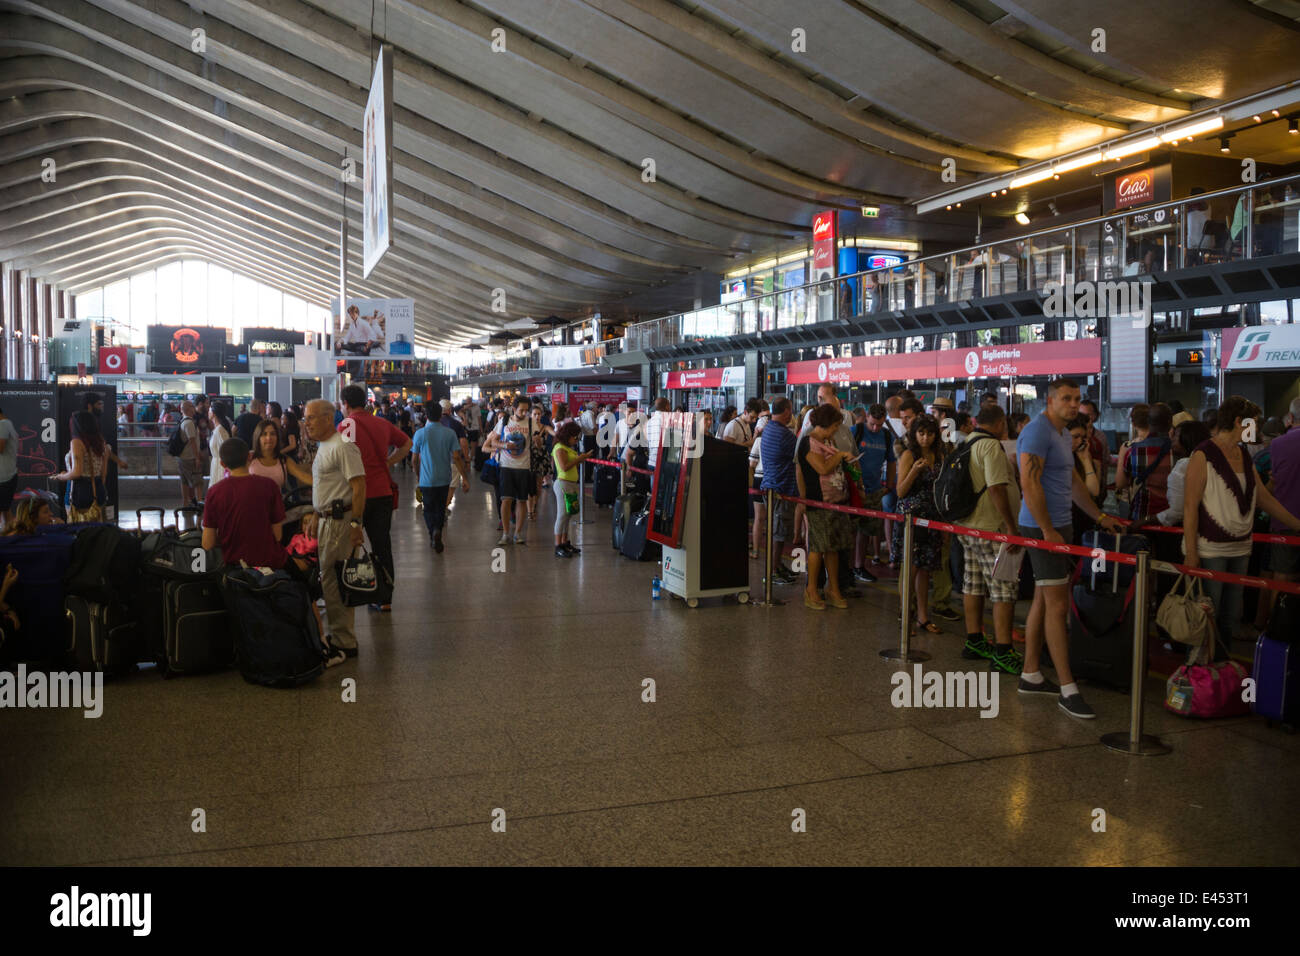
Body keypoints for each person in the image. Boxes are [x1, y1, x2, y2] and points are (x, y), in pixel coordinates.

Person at [1017, 378, 1125, 720]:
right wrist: (1047, 529)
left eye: (1076, 399)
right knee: (1057, 604)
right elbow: (1029, 482)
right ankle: (1068, 687)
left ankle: (1031, 673)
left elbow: (1072, 481)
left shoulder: (1064, 434)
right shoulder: (1038, 432)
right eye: (1066, 398)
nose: (1072, 404)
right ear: (1049, 400)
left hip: (1059, 523)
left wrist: (1099, 515)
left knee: (1043, 599)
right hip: (1042, 525)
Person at [202, 437, 342, 668]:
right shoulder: (267, 487)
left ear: (223, 466)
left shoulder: (215, 492)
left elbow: (207, 543)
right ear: (249, 458)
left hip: (235, 566)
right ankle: (322, 645)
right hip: (271, 560)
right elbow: (277, 536)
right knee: (306, 588)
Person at [1183, 396, 1300, 654]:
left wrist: (1296, 524)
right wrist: (1191, 553)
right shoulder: (1203, 454)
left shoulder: (1243, 454)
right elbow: (1190, 506)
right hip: (1211, 549)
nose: (1255, 429)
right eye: (1253, 423)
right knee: (1209, 615)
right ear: (1239, 421)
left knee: (1229, 617)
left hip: (1240, 547)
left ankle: (1221, 669)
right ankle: (1206, 668)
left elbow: (1263, 497)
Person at [958, 405, 1023, 673]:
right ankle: (1003, 651)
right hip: (992, 528)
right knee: (1002, 590)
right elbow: (996, 489)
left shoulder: (965, 443)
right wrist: (1011, 527)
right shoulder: (991, 447)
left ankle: (974, 640)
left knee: (972, 583)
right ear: (999, 424)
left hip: (967, 527)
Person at [302, 399, 366, 659]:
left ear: (329, 418)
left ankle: (345, 642)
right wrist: (318, 514)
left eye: (312, 417)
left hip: (341, 523)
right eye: (306, 418)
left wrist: (355, 524)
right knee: (329, 580)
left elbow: (359, 486)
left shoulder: (343, 446)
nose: (307, 423)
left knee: (339, 581)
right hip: (328, 520)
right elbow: (327, 486)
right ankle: (339, 635)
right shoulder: (324, 446)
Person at [339, 384, 411, 611]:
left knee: (352, 544)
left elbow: (341, 455)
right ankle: (385, 597)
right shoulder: (382, 422)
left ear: (346, 404)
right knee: (382, 545)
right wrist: (388, 462)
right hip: (382, 493)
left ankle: (356, 590)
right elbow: (407, 443)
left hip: (355, 495)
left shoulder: (346, 424)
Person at [796, 404, 854, 610]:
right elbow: (821, 468)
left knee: (834, 547)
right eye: (836, 425)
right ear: (827, 423)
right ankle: (811, 589)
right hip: (819, 502)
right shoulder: (807, 443)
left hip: (837, 501)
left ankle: (833, 588)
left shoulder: (828, 441)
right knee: (818, 547)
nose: (837, 429)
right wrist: (839, 456)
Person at [893, 415, 947, 633]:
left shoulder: (939, 455)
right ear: (914, 434)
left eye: (930, 433)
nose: (926, 438)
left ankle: (923, 617)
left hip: (932, 516)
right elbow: (900, 491)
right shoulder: (909, 455)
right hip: (911, 517)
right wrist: (915, 471)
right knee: (912, 568)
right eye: (921, 433)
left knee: (926, 569)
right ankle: (906, 615)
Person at [411, 401, 467, 554]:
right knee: (440, 508)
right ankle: (438, 531)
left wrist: (417, 475)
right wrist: (465, 478)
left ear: (426, 415)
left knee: (428, 509)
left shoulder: (420, 433)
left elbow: (414, 460)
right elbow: (456, 457)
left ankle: (433, 533)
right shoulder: (449, 433)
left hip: (426, 480)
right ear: (440, 415)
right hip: (444, 479)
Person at [851, 403, 896, 582]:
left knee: (866, 531)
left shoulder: (886, 436)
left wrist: (890, 484)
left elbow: (891, 461)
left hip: (874, 489)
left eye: (879, 424)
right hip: (854, 490)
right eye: (872, 424)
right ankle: (847, 567)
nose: (875, 428)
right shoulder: (856, 431)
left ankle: (859, 566)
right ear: (867, 417)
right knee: (851, 531)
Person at [249, 419, 314, 542]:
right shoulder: (250, 459)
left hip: (276, 513)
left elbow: (303, 476)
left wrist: (327, 485)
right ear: (258, 437)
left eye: (273, 434)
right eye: (264, 434)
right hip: (253, 513)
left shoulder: (283, 460)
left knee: (275, 545)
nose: (269, 438)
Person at [759, 397, 799, 585]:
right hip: (780, 489)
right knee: (779, 532)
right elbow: (801, 454)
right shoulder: (784, 434)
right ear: (786, 411)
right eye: (790, 410)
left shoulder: (768, 429)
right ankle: (774, 569)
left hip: (771, 486)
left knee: (777, 531)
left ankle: (777, 566)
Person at [484, 397, 534, 545]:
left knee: (522, 501)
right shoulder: (504, 422)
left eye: (526, 410)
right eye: (521, 410)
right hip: (506, 466)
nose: (524, 413)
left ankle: (518, 533)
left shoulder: (531, 423)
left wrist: (538, 441)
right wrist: (505, 446)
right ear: (514, 409)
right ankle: (506, 533)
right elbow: (493, 441)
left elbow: (537, 439)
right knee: (506, 500)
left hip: (524, 467)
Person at [1115, 403, 1173, 522]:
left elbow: (1120, 483)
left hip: (1140, 515)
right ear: (1170, 423)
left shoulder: (1131, 450)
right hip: (1170, 516)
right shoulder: (1178, 451)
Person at [55, 411, 112, 523]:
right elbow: (104, 473)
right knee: (96, 531)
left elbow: (76, 472)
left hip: (79, 490)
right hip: (98, 489)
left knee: (77, 530)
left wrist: (61, 476)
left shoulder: (77, 442)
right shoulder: (101, 442)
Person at [551, 421, 593, 558]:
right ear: (567, 435)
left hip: (571, 484)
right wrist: (580, 458)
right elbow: (564, 467)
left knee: (568, 515)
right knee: (562, 515)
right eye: (575, 437)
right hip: (563, 484)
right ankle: (558, 545)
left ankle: (565, 542)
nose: (576, 440)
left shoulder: (567, 448)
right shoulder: (559, 448)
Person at [1067, 415, 1102, 543]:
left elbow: (1094, 491)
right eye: (1075, 437)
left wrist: (1085, 459)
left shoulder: (1081, 457)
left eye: (1082, 437)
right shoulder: (1057, 458)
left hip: (1083, 518)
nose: (1079, 441)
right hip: (1065, 519)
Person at [528, 404, 555, 519]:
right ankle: (530, 511)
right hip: (528, 459)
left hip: (541, 459)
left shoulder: (545, 427)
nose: (537, 416)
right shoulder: (527, 427)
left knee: (538, 486)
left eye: (539, 414)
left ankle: (534, 505)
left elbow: (554, 433)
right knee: (530, 486)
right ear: (530, 415)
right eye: (535, 414)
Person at [207, 401, 234, 491]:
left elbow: (227, 450)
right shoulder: (218, 429)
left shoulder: (220, 430)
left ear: (213, 413)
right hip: (216, 464)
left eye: (209, 410)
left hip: (221, 466)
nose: (208, 412)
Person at [0, 405, 18, 530]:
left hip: (3, 478)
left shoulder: (3, 424)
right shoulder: (8, 424)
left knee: (5, 512)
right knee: (6, 512)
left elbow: (0, 448)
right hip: (7, 476)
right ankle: (11, 541)